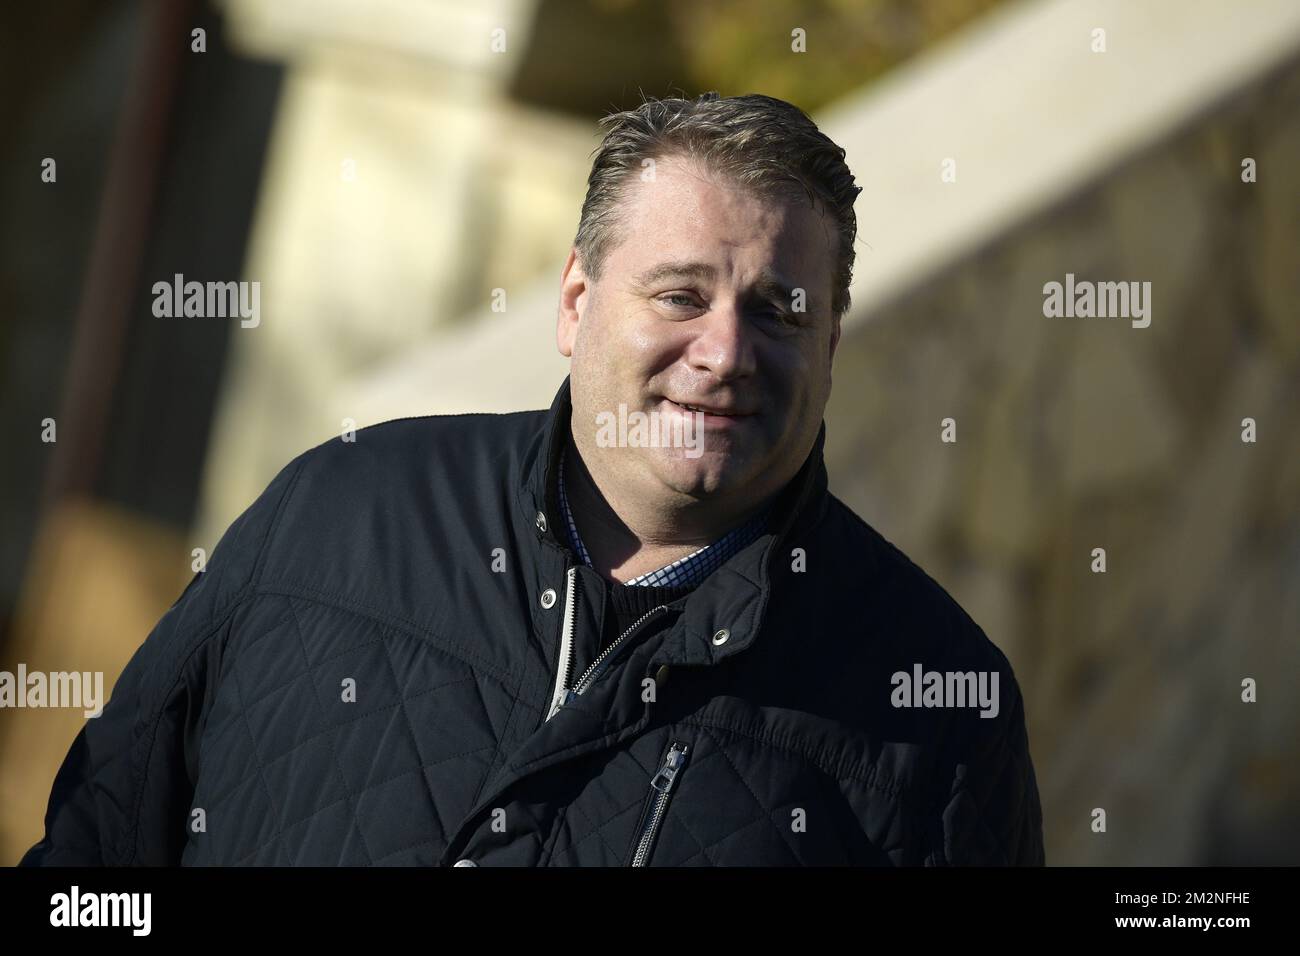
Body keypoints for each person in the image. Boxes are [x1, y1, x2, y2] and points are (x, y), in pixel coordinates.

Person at [22, 92, 1043, 866]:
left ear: (829, 346)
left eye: (779, 311)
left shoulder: (939, 713)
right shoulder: (339, 513)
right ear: (574, 301)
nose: (726, 350)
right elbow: (96, 849)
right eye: (680, 293)